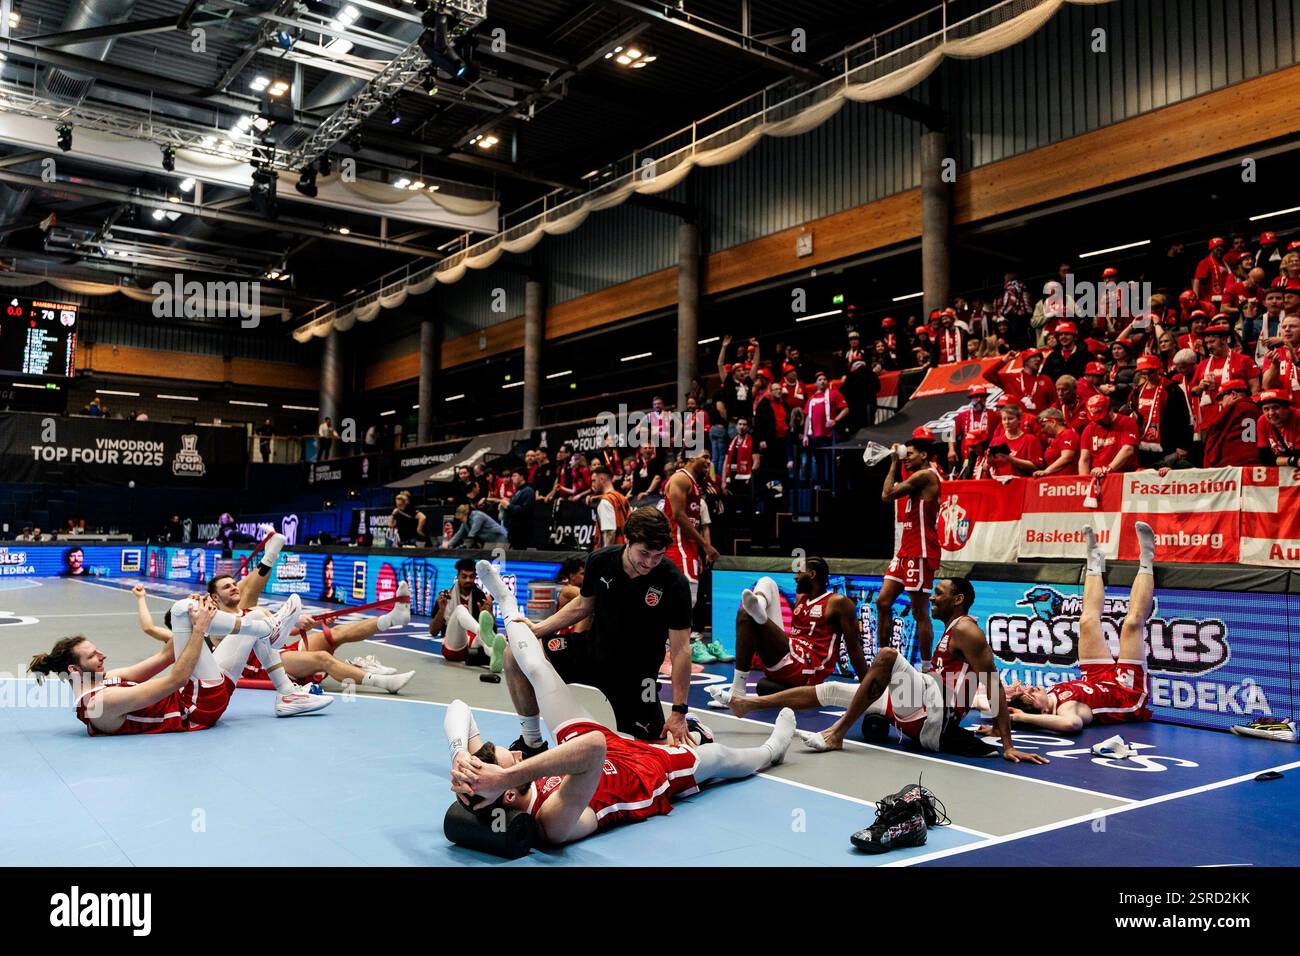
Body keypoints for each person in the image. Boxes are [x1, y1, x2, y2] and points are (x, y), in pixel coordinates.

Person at [445, 561, 796, 847]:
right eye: (512, 762)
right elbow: (593, 750)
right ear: (506, 796)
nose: (519, 754)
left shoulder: (495, 781)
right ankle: (773, 748)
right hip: (643, 772)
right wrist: (508, 774)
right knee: (722, 758)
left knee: (535, 666)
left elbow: (458, 707)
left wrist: (459, 754)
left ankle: (507, 603)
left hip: (581, 744)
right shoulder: (552, 823)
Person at [728, 577, 1046, 765]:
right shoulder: (952, 629)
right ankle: (746, 704)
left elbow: (992, 683)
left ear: (958, 599)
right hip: (920, 705)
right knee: (832, 690)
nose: (932, 597)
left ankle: (836, 735)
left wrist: (1007, 744)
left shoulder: (967, 630)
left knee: (887, 656)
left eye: (940, 592)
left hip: (935, 714)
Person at [511, 508, 693, 745]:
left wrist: (679, 711)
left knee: (651, 752)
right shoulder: (600, 561)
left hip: (637, 674)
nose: (649, 562)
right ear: (628, 540)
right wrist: (538, 629)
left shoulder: (674, 582)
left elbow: (681, 650)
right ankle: (531, 742)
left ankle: (697, 729)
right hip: (591, 652)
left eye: (658, 555)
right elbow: (582, 605)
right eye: (644, 553)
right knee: (514, 655)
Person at [31, 593, 305, 736]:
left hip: (201, 696)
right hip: (197, 710)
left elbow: (164, 657)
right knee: (180, 610)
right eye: (92, 655)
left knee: (250, 617)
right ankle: (270, 629)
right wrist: (197, 629)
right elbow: (175, 679)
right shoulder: (98, 704)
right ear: (75, 670)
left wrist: (195, 616)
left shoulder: (105, 680)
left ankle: (288, 694)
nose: (102, 654)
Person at [1002, 525, 1155, 732]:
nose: (1030, 688)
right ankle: (1147, 559)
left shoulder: (1047, 697)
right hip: (1126, 693)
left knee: (1086, 622)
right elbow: (1072, 724)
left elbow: (980, 701)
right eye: (1031, 696)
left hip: (1095, 678)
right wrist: (1023, 718)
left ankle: (1093, 561)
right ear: (1044, 711)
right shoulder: (1067, 709)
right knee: (1132, 623)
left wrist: (1007, 699)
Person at [136, 584, 415, 693]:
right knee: (322, 658)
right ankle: (384, 683)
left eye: (234, 585)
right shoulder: (208, 620)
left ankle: (393, 619)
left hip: (274, 642)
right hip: (257, 661)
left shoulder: (246, 611)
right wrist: (141, 598)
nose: (234, 588)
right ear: (215, 596)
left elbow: (281, 627)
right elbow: (150, 628)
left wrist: (298, 624)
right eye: (226, 587)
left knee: (333, 634)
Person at [707, 556, 867, 709]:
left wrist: (868, 685)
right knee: (765, 585)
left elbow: (853, 647)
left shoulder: (838, 603)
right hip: (788, 655)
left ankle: (759, 617)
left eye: (799, 572)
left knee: (747, 614)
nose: (795, 577)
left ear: (811, 574)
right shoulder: (802, 598)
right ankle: (759, 610)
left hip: (808, 666)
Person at [878, 437, 940, 661]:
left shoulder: (926, 476)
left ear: (924, 455)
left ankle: (926, 669)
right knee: (882, 601)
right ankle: (882, 660)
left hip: (921, 551)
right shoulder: (916, 477)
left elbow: (886, 495)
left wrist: (893, 462)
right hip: (905, 550)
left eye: (910, 454)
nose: (906, 459)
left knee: (919, 612)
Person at [662, 452, 720, 609]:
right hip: (678, 549)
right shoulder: (680, 479)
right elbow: (678, 516)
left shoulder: (692, 482)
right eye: (705, 457)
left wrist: (696, 549)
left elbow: (692, 522)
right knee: (683, 603)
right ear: (692, 457)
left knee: (685, 605)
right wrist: (705, 545)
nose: (709, 462)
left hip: (688, 548)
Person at [431, 558, 498, 664]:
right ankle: (482, 632)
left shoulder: (480, 596)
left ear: (475, 577)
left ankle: (494, 656)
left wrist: (489, 613)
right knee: (460, 610)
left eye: (471, 577)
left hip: (472, 647)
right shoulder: (446, 596)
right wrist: (442, 610)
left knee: (490, 638)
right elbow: (433, 632)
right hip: (453, 647)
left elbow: (493, 632)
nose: (468, 580)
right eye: (464, 576)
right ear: (457, 577)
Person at [1201, 380, 1262, 467]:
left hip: (1233, 464)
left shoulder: (1233, 409)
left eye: (1221, 398)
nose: (1220, 403)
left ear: (1233, 395)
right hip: (1256, 461)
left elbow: (1213, 429)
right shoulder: (1256, 408)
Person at [1078, 395, 1139, 475]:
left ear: (1109, 410)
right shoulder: (1089, 429)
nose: (1097, 421)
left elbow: (1128, 450)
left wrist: (1106, 470)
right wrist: (1085, 482)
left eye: (1100, 418)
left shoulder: (1127, 422)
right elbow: (1084, 460)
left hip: (1123, 476)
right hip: (1098, 476)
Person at [589, 464, 629, 550]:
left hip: (613, 554)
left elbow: (610, 532)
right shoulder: (622, 498)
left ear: (602, 479)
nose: (592, 484)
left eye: (594, 480)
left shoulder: (605, 501)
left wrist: (604, 556)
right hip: (624, 550)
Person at [1258, 390, 1300, 465]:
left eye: (1275, 407)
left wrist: (1278, 460)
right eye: (1266, 409)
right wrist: (1292, 460)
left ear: (1287, 408)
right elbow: (1265, 459)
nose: (1271, 413)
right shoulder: (1262, 421)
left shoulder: (1298, 418)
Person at [503, 468, 536, 550]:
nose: (512, 478)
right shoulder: (518, 491)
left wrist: (508, 506)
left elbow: (525, 510)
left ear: (521, 477)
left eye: (514, 475)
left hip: (522, 531)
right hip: (514, 530)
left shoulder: (528, 491)